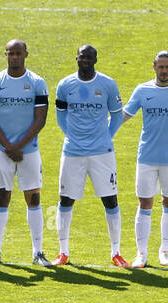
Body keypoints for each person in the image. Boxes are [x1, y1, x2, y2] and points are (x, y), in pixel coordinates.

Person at [119, 50, 168, 268]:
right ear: (154, 67)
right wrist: (105, 126)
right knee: (145, 203)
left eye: (167, 66)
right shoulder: (142, 90)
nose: (164, 70)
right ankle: (141, 254)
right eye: (160, 66)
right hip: (146, 156)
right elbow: (125, 114)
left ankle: (165, 251)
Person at [0, 39, 51, 267]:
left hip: (28, 151)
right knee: (1, 198)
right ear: (5, 54)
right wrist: (8, 146)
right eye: (10, 53)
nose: (14, 57)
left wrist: (19, 146)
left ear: (26, 54)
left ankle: (38, 253)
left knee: (34, 198)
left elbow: (40, 120)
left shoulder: (37, 83)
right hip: (2, 151)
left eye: (18, 53)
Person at [53, 45, 126, 266]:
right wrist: (72, 136)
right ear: (77, 58)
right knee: (65, 200)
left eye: (89, 57)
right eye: (82, 56)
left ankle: (116, 252)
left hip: (102, 153)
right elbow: (60, 115)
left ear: (95, 59)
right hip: (73, 152)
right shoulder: (65, 85)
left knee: (110, 200)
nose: (85, 60)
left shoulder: (107, 84)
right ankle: (63, 252)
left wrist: (107, 136)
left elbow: (117, 115)